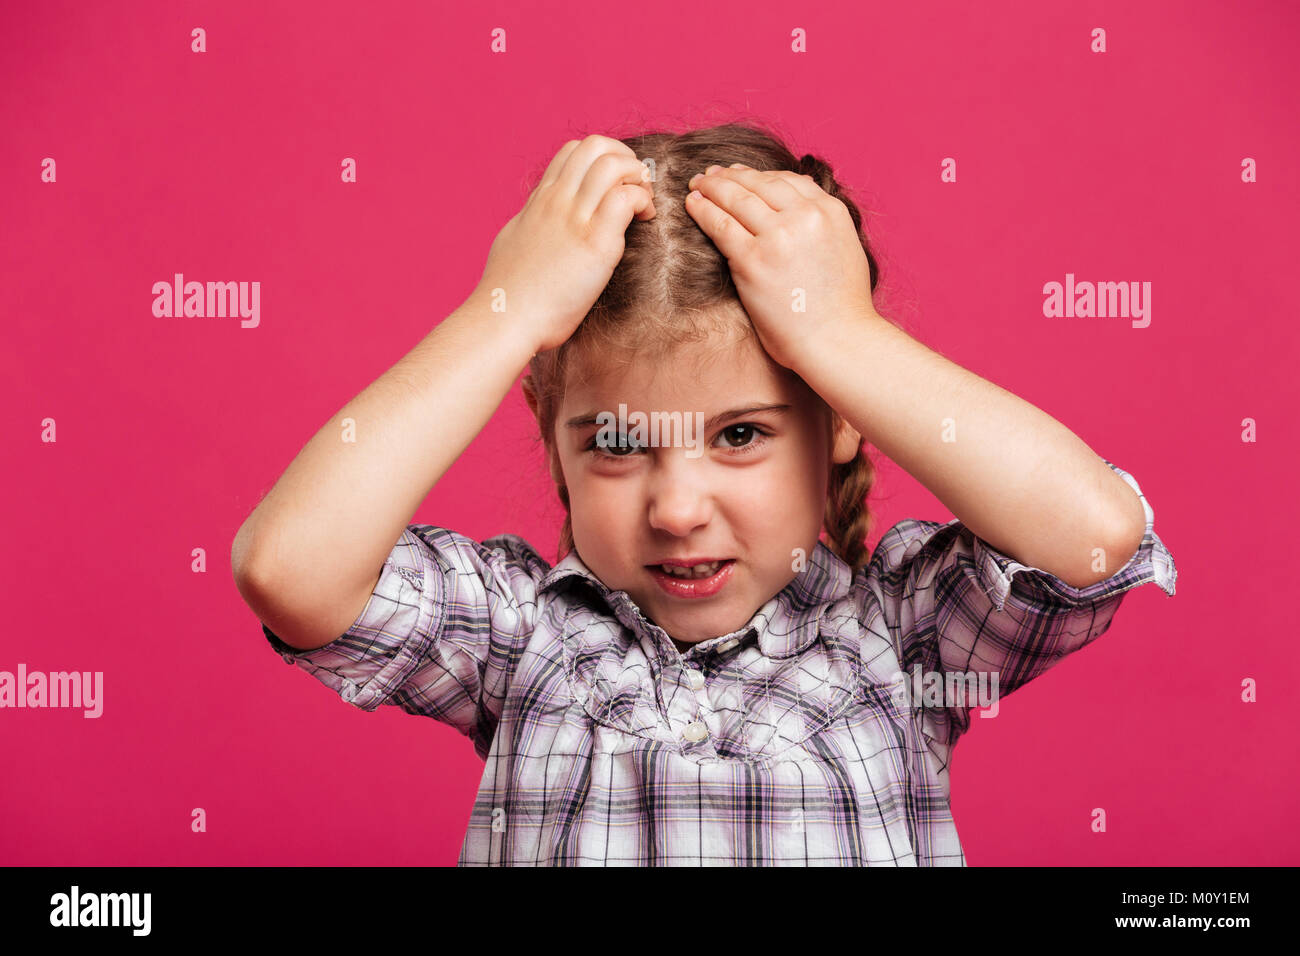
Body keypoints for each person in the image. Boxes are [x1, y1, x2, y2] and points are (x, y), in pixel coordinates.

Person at [231, 122, 1177, 865]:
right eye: (616, 443)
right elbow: (291, 571)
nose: (677, 509)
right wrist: (504, 314)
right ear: (553, 440)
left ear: (842, 413)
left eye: (739, 435)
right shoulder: (520, 637)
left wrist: (843, 338)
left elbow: (1091, 536)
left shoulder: (902, 634)